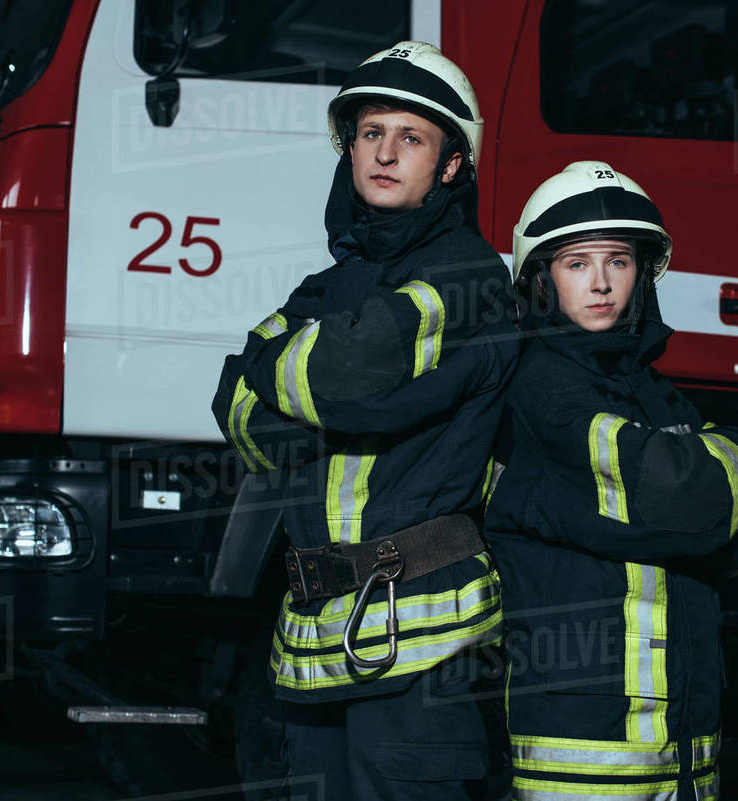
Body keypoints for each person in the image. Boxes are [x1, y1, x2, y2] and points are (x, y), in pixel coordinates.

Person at [211, 41, 517, 800]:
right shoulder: (326, 282)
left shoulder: (471, 277)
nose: (384, 152)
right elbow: (238, 412)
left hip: (421, 639)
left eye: (411, 137)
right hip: (315, 636)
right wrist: (313, 386)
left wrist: (292, 371)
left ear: (450, 166)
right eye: (370, 132)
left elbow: (334, 379)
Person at [484, 161, 738, 800]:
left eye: (618, 260)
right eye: (577, 263)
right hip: (585, 745)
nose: (602, 283)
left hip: (684, 743)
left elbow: (734, 541)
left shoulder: (655, 395)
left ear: (644, 273)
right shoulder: (542, 390)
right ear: (542, 280)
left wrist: (712, 494)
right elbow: (682, 503)